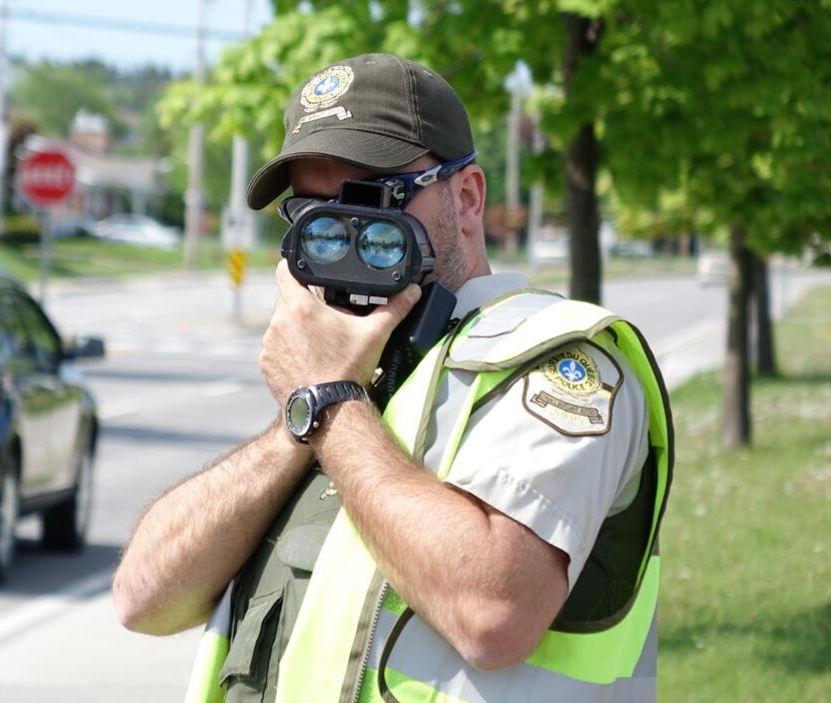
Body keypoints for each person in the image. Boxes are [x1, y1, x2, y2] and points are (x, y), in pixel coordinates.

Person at [113, 53, 673, 703]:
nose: (342, 235)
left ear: (466, 198)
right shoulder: (344, 379)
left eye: (372, 200)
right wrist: (306, 413)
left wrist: (328, 403)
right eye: (313, 212)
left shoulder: (555, 363)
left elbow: (491, 612)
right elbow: (141, 597)